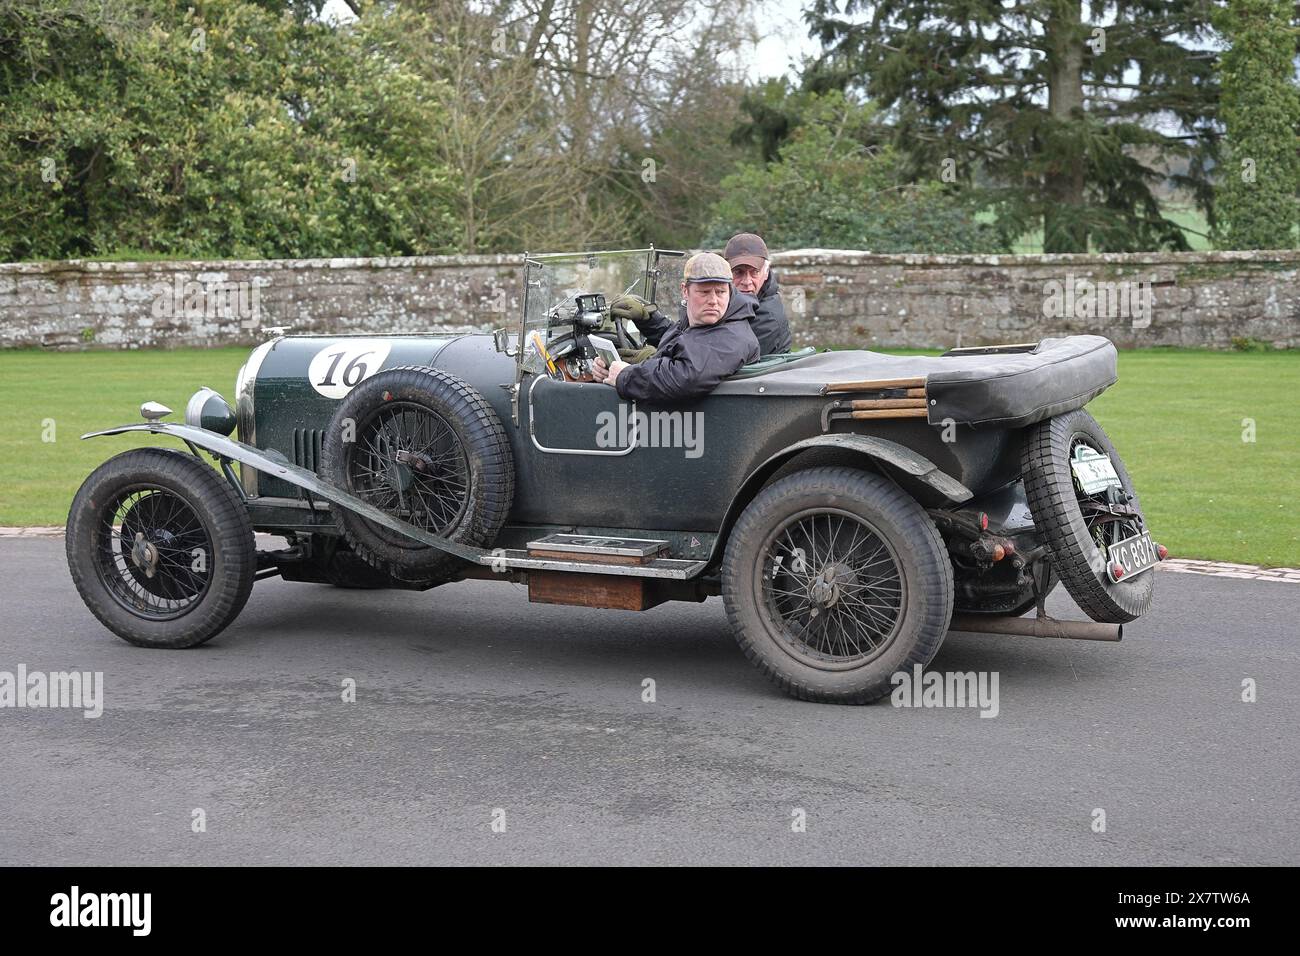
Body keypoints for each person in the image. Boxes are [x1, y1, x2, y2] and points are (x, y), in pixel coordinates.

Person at [593, 252, 759, 402]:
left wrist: (626, 376)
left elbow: (685, 377)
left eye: (721, 292)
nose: (714, 300)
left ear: (730, 291)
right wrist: (612, 370)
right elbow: (680, 342)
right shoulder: (698, 321)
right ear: (685, 291)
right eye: (704, 292)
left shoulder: (733, 335)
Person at [723, 232, 791, 355]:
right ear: (725, 273)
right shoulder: (732, 303)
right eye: (738, 272)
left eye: (754, 272)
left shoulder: (766, 320)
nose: (747, 281)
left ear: (766, 273)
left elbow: (723, 358)